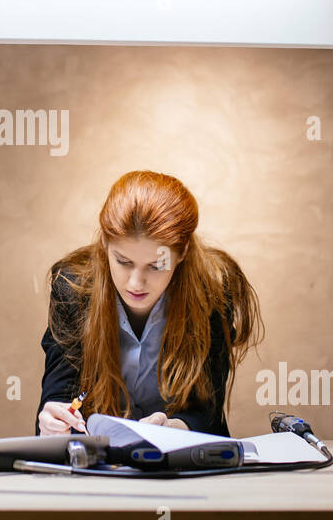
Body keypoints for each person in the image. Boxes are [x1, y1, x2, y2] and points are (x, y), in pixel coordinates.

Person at [36, 170, 263, 436]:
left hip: (182, 465)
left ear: (183, 253)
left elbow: (207, 413)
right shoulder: (72, 286)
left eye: (156, 266)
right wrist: (54, 420)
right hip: (96, 462)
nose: (135, 283)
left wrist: (172, 429)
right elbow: (59, 396)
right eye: (123, 261)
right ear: (105, 244)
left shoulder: (214, 289)